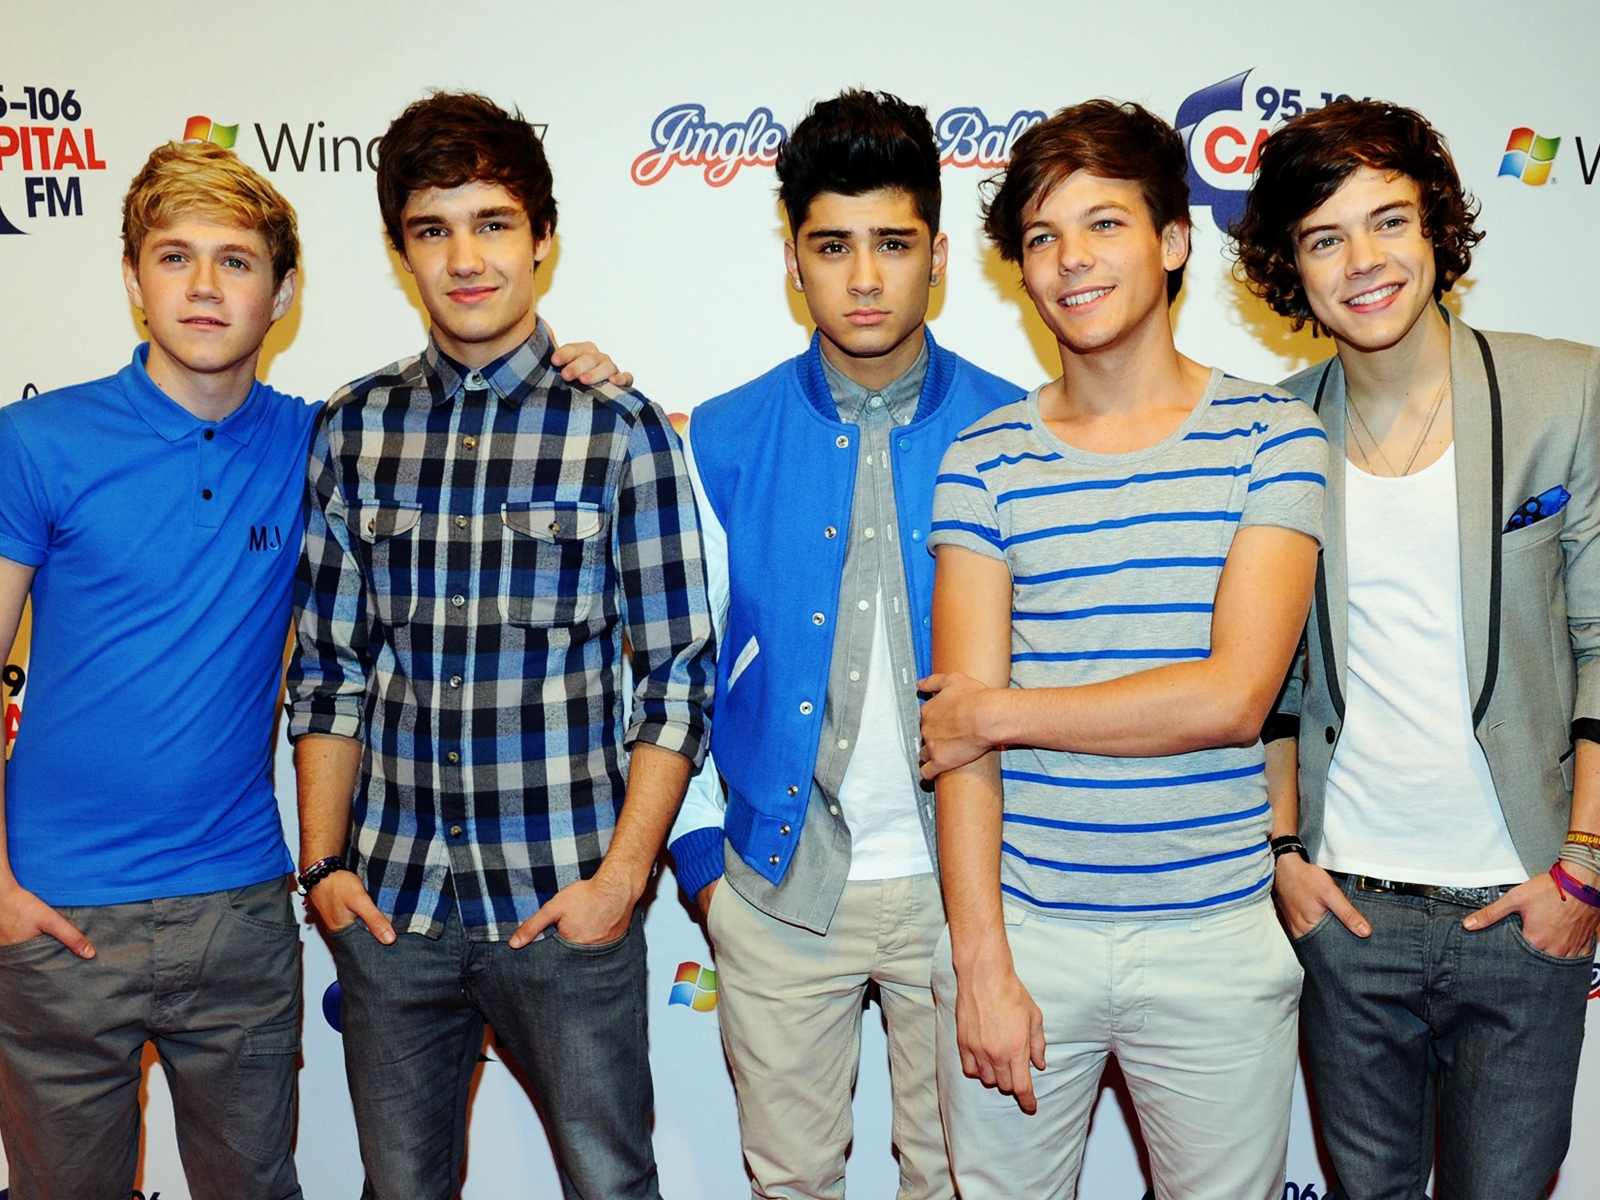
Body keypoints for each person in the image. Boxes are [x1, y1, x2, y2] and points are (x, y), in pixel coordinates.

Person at [287, 90, 712, 1200]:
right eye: (432, 230)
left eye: (492, 223)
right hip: (392, 908)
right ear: (401, 252)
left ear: (542, 238)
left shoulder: (618, 429)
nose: (465, 258)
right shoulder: (354, 428)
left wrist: (621, 882)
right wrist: (325, 868)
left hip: (564, 904)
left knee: (612, 1185)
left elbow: (676, 676)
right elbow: (328, 671)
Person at [917, 99, 1327, 1200]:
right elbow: (956, 749)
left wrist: (1000, 710)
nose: (1070, 260)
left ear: (1173, 240)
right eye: (1042, 236)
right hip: (1027, 934)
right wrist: (981, 960)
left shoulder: (1273, 438)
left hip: (1215, 939)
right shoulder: (984, 458)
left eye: (1103, 223)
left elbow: (1232, 698)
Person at [1234, 100, 1600, 1200]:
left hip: (1526, 903)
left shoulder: (1566, 392)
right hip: (1346, 914)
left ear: (1436, 225)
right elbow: (1269, 678)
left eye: (1388, 220)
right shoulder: (1270, 432)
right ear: (1290, 267)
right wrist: (1283, 856)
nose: (1364, 260)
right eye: (1325, 237)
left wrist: (1584, 866)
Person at [665, 89, 1019, 1200]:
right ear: (793, 263)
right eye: (832, 247)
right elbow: (677, 670)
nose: (864, 277)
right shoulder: (717, 437)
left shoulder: (1019, 428)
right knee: (791, 1183)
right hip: (775, 886)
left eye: (893, 245)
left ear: (939, 258)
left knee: (958, 1183)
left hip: (969, 892)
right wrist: (701, 863)